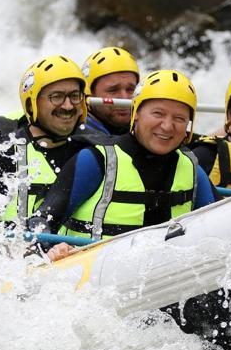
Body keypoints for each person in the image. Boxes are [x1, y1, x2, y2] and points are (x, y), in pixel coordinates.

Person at [31, 69, 218, 260]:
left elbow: (221, 227)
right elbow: (41, 221)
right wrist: (52, 247)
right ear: (136, 114)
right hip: (93, 273)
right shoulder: (95, 160)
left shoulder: (192, 169)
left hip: (163, 275)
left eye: (179, 119)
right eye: (158, 114)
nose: (167, 126)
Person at [0, 55, 99, 225]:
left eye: (74, 96)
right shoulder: (3, 149)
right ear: (31, 105)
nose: (68, 106)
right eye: (56, 97)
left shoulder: (96, 151)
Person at [81, 46, 139, 135]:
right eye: (113, 90)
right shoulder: (76, 140)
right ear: (89, 93)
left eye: (131, 90)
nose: (124, 98)